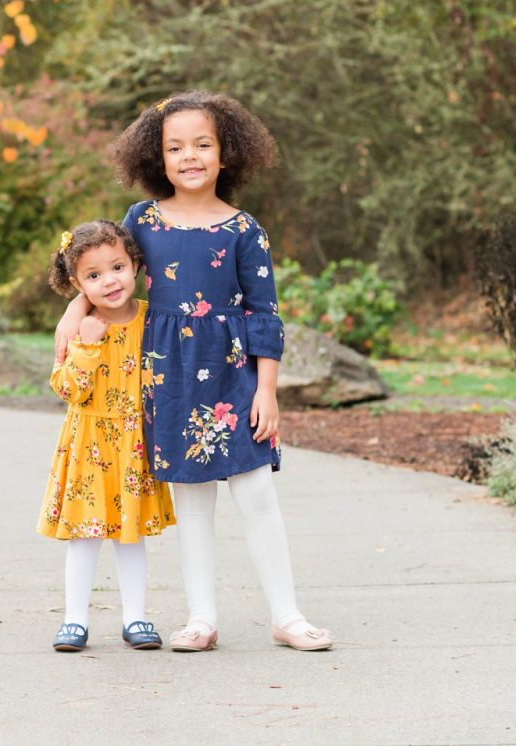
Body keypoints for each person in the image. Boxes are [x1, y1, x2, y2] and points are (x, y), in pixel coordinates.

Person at [56, 91, 334, 652]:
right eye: (175, 146)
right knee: (192, 500)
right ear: (156, 158)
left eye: (202, 144)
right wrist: (75, 306)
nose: (190, 156)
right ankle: (201, 617)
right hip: (167, 377)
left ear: (225, 153)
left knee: (256, 493)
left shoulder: (244, 230)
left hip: (233, 375)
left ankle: (287, 614)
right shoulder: (142, 220)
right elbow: (104, 273)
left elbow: (266, 315)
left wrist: (268, 391)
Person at [38, 220, 175, 652]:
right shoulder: (79, 329)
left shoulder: (153, 319)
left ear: (135, 264)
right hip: (90, 445)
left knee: (129, 535)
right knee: (85, 537)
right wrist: (87, 346)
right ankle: (74, 620)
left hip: (135, 446)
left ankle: (135, 617)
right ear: (77, 284)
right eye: (93, 276)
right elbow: (67, 389)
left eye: (117, 267)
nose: (109, 281)